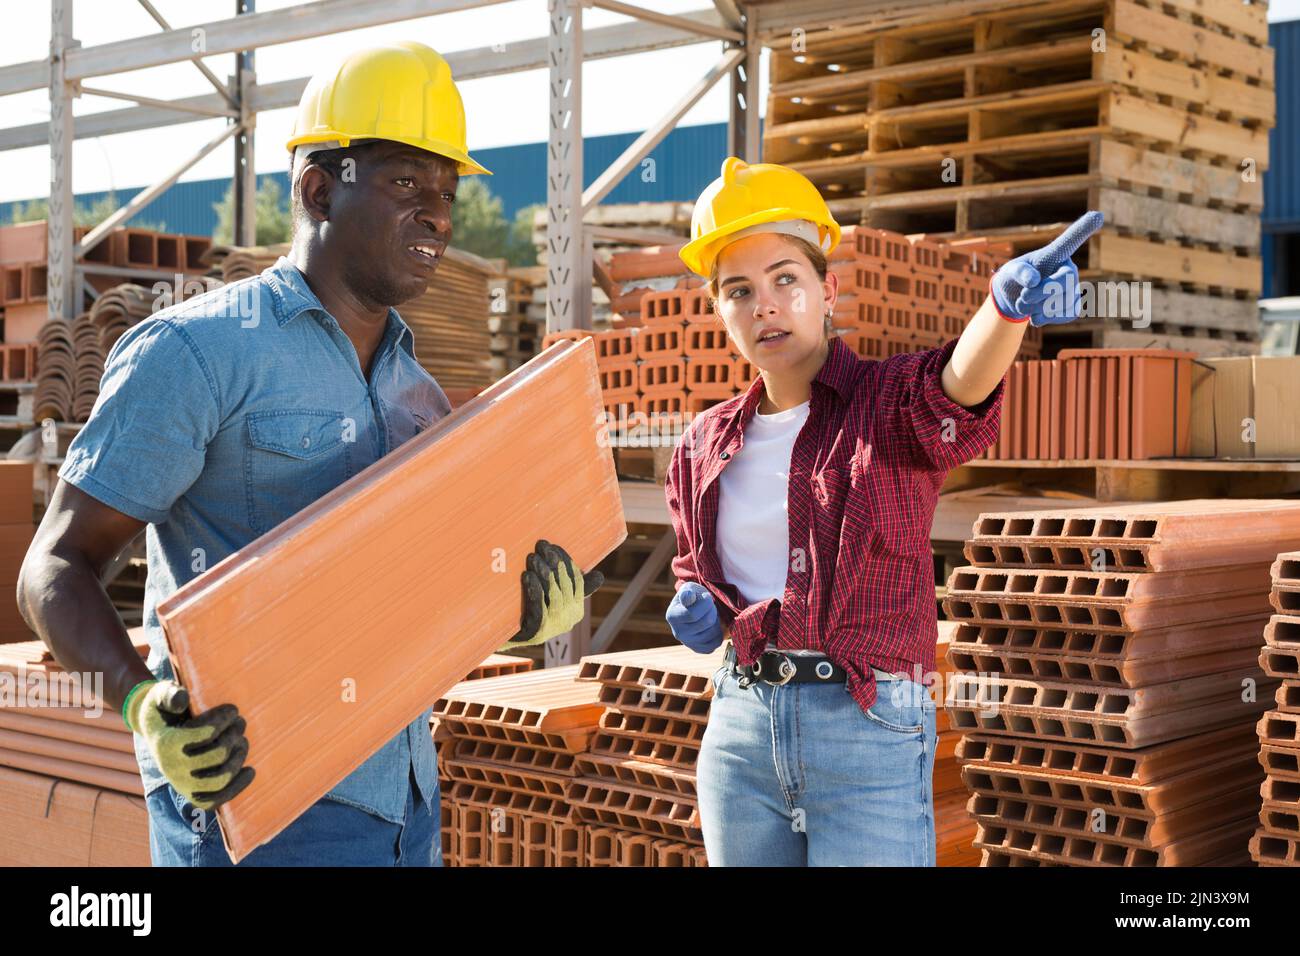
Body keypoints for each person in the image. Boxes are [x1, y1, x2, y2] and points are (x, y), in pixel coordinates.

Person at [17, 41, 600, 867]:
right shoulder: (195, 353)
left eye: (446, 191)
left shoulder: (419, 397)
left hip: (404, 807)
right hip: (260, 809)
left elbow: (413, 605)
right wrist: (145, 706)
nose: (436, 213)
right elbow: (54, 567)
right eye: (405, 183)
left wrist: (518, 621)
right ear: (318, 189)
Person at [663, 156, 1097, 866]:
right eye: (738, 291)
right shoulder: (702, 443)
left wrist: (1004, 309)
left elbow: (958, 385)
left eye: (784, 280)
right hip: (740, 731)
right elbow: (695, 571)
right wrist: (694, 604)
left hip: (864, 727)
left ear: (826, 289)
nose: (764, 305)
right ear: (721, 311)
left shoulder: (888, 403)